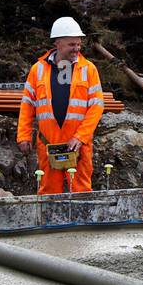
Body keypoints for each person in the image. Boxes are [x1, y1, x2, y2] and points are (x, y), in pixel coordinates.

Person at [17, 16, 105, 194]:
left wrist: (80, 137)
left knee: (80, 192)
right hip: (48, 144)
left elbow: (96, 107)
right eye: (72, 44)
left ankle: (81, 222)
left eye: (78, 44)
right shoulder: (38, 70)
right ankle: (49, 221)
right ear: (57, 44)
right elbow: (27, 105)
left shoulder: (88, 70)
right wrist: (23, 136)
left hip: (78, 146)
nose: (77, 48)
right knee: (48, 192)